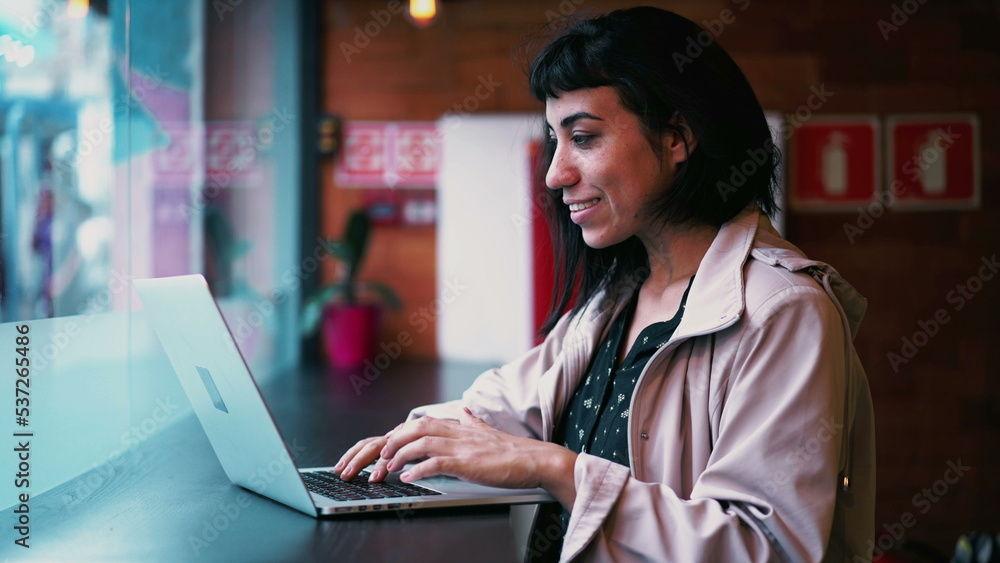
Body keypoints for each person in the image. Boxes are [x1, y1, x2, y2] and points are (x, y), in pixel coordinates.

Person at [336, 6, 875, 562]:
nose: (554, 174)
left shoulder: (783, 311)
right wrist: (404, 443)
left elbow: (765, 548)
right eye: (554, 140)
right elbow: (496, 408)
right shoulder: (616, 299)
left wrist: (550, 466)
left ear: (676, 139)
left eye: (585, 138)